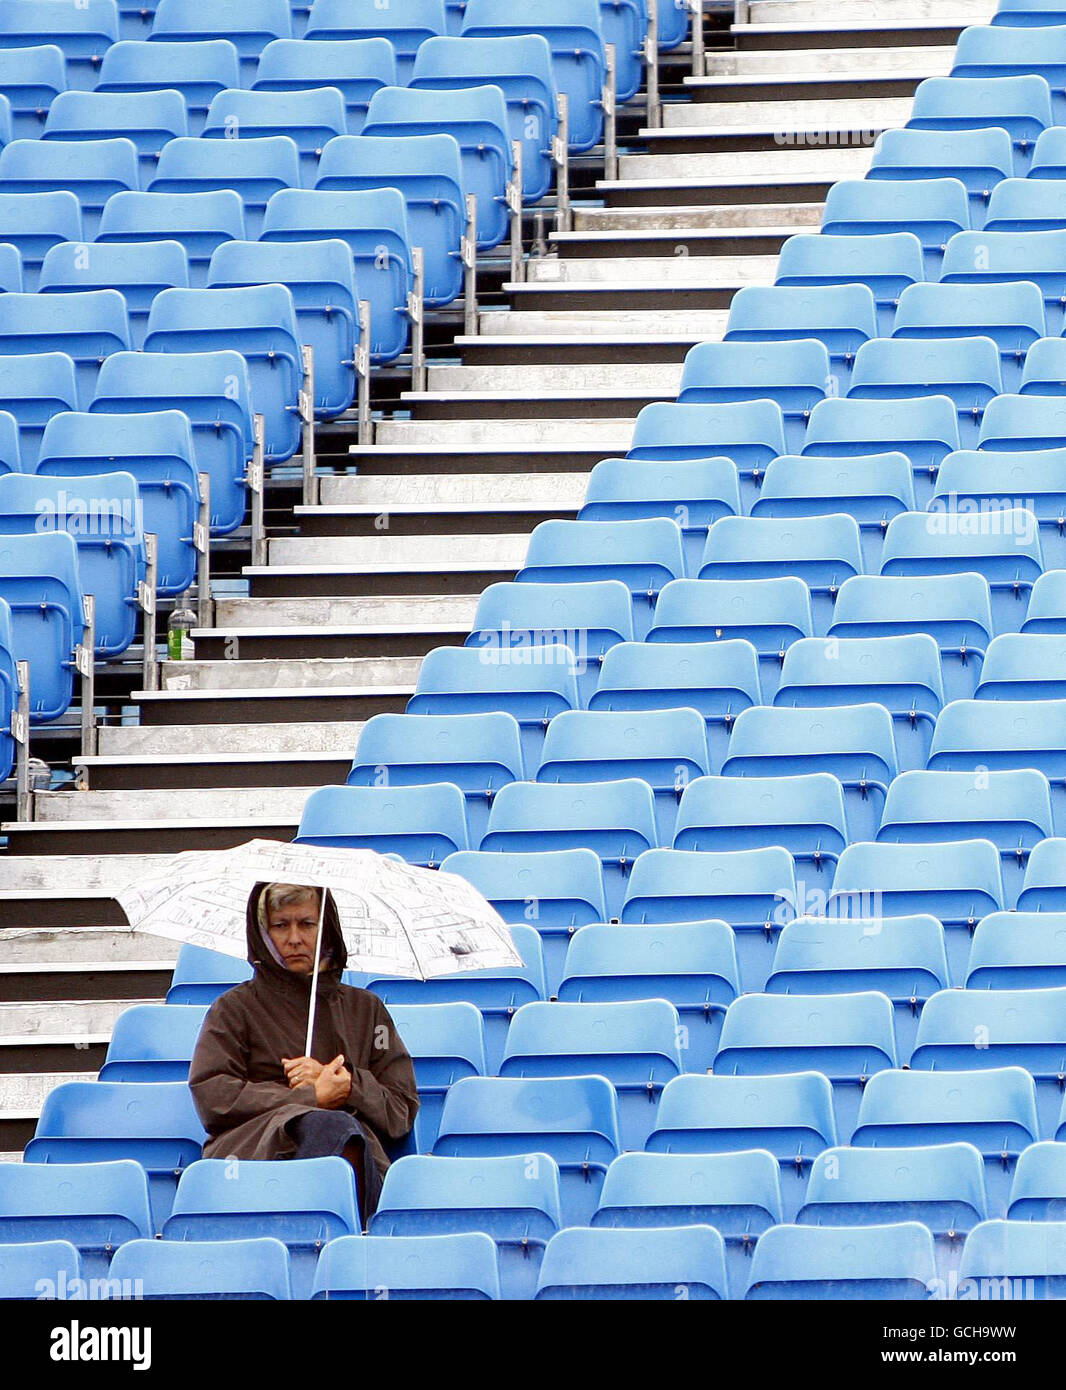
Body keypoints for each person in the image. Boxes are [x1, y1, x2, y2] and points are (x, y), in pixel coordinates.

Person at [188, 881, 420, 1221]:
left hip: (351, 1152)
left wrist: (349, 1088)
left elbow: (400, 1110)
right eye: (281, 925)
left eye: (307, 924)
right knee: (324, 1123)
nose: (294, 938)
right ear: (264, 932)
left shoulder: (368, 1012)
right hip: (252, 1151)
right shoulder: (233, 1009)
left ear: (326, 930)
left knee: (337, 1128)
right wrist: (311, 1098)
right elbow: (213, 1097)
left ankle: (339, 1237)